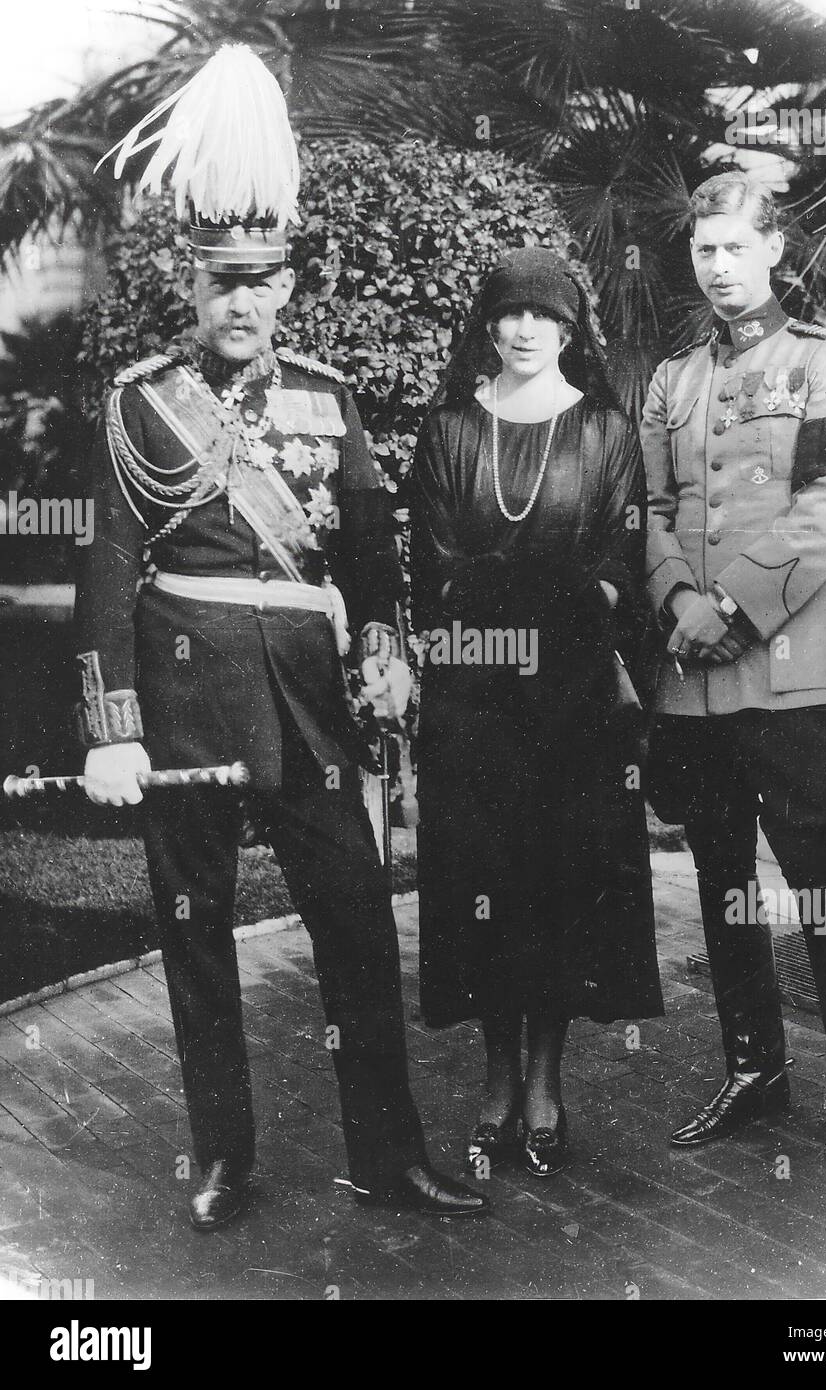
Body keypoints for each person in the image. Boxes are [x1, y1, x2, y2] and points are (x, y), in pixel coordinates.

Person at [74, 45, 488, 1228]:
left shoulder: (328, 397)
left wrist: (387, 656)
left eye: (261, 282)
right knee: (196, 933)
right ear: (192, 288)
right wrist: (111, 730)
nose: (243, 303)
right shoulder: (140, 401)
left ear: (288, 283)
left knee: (356, 924)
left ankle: (389, 1151)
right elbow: (107, 571)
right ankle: (222, 1157)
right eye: (222, 285)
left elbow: (368, 554)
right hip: (186, 690)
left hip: (306, 698)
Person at [640, 171, 826, 1187]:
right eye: (703, 251)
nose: (716, 267)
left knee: (813, 880)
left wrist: (726, 608)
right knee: (716, 872)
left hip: (787, 671)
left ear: (773, 252)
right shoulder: (669, 380)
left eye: (734, 248)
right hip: (693, 678)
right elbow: (648, 511)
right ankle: (754, 1069)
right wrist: (671, 604)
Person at [410, 248, 663, 1181]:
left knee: (558, 886)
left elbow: (615, 568)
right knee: (481, 882)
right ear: (488, 326)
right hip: (472, 703)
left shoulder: (605, 431)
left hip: (573, 709)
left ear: (568, 331)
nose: (523, 330)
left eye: (541, 317)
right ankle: (494, 1080)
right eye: (507, 315)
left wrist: (523, 593)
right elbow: (436, 568)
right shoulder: (447, 431)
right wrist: (540, 591)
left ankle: (547, 1081)